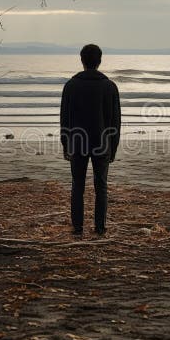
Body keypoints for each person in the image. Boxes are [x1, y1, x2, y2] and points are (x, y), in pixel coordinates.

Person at [60, 44, 121, 236]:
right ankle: (100, 227)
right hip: (102, 143)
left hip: (77, 142)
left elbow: (65, 119)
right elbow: (115, 121)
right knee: (101, 186)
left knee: (77, 185)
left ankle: (78, 227)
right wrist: (113, 146)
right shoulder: (109, 87)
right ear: (99, 61)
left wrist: (66, 143)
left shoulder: (71, 86)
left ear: (82, 60)